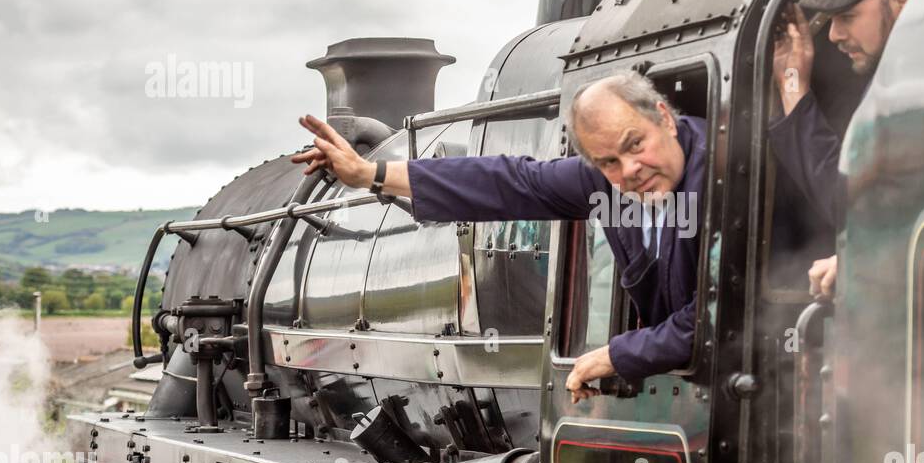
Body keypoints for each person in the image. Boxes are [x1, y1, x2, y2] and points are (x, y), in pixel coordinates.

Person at [292, 71, 703, 404]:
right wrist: (370, 174)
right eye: (609, 161)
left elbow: (721, 316)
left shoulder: (725, 171)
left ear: (665, 118)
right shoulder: (607, 181)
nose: (629, 169)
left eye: (636, 145)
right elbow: (511, 182)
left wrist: (619, 354)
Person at [768, 0, 924, 297]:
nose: (834, 34)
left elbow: (853, 205)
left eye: (847, 16)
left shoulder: (923, 79)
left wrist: (865, 256)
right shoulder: (904, 72)